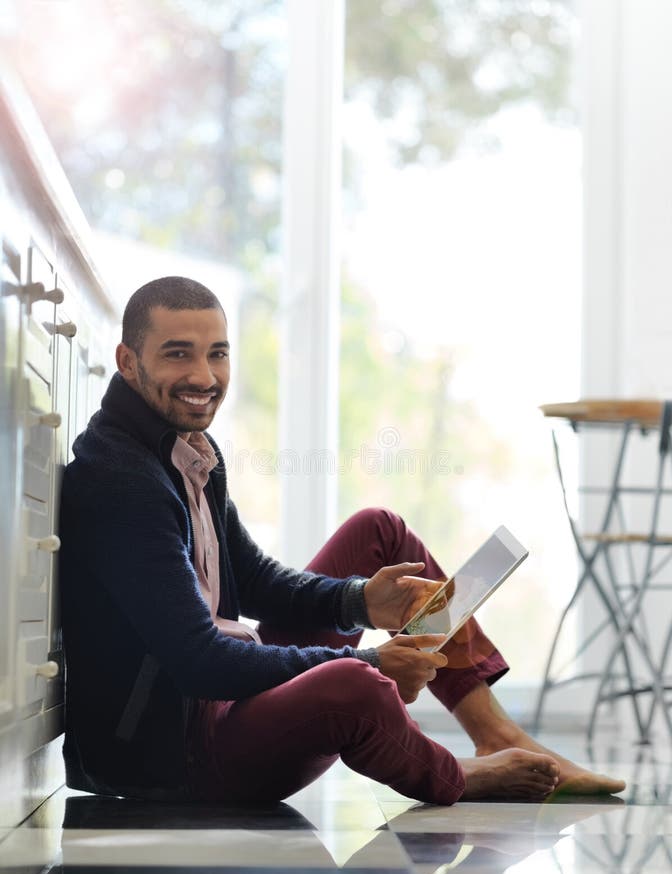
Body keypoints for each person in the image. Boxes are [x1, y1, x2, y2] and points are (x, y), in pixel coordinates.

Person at [59, 276, 625, 805]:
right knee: (354, 683)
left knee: (379, 533)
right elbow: (200, 663)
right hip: (174, 756)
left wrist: (357, 600)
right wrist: (373, 659)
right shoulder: (121, 478)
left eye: (218, 353)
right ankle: (456, 774)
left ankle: (494, 731)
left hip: (221, 703)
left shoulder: (183, 447)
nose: (205, 377)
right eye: (178, 353)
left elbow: (252, 580)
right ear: (128, 362)